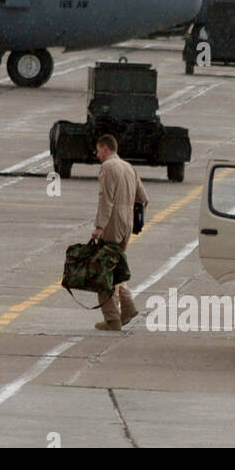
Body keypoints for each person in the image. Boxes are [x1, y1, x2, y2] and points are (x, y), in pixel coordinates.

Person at [92, 134, 148, 331]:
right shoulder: (128, 166)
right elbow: (143, 197)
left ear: (105, 148)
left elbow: (105, 199)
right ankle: (128, 307)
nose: (97, 154)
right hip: (127, 223)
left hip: (112, 223)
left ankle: (112, 318)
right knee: (116, 267)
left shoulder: (108, 168)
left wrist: (99, 226)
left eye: (98, 150)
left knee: (103, 270)